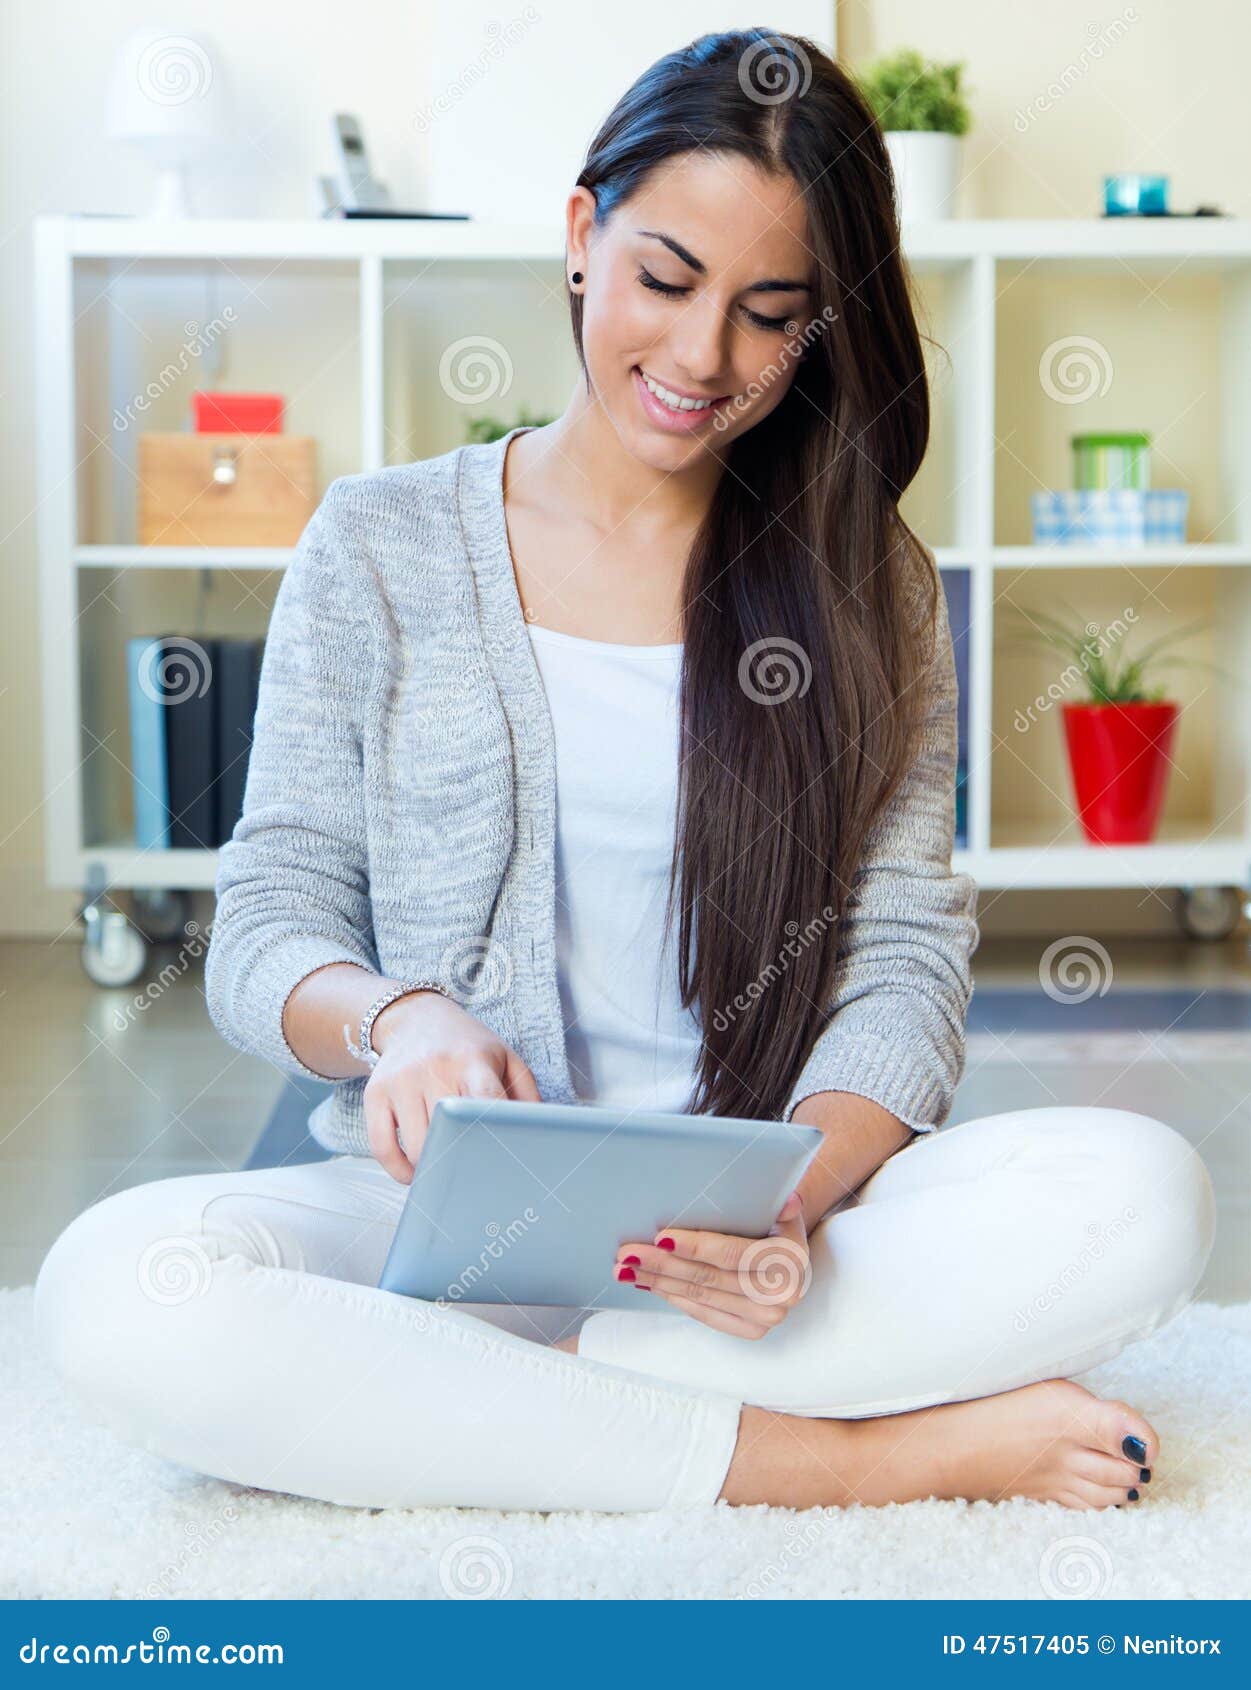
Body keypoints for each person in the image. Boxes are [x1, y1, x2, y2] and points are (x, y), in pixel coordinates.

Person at [35, 29, 1214, 1515]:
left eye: (769, 314)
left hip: (756, 1249)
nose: (703, 358)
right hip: (434, 1232)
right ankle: (852, 1458)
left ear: (821, 328)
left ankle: (515, 1408)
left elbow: (904, 962)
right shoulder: (380, 543)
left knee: (1143, 1196)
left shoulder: (869, 586)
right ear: (584, 236)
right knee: (118, 1288)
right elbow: (270, 917)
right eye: (666, 280)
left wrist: (792, 1201)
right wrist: (401, 1022)